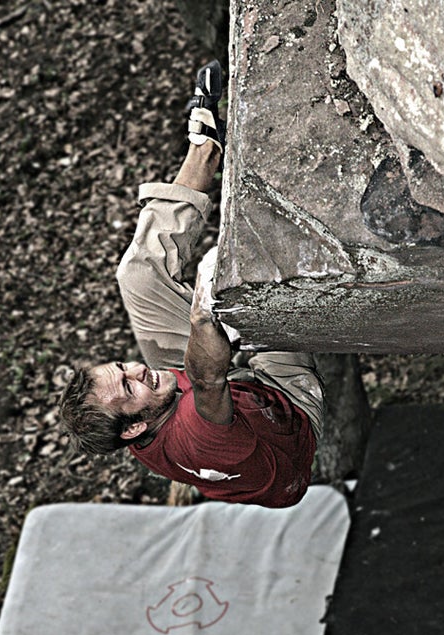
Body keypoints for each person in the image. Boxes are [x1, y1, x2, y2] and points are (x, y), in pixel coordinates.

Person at [59, 61, 324, 508]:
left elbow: (177, 379)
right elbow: (207, 381)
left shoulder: (143, 404)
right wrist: (204, 307)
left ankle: (203, 145)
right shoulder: (195, 436)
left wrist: (203, 316)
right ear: (134, 429)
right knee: (260, 284)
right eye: (128, 387)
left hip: (201, 392)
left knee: (137, 277)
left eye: (121, 367)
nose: (135, 369)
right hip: (284, 403)